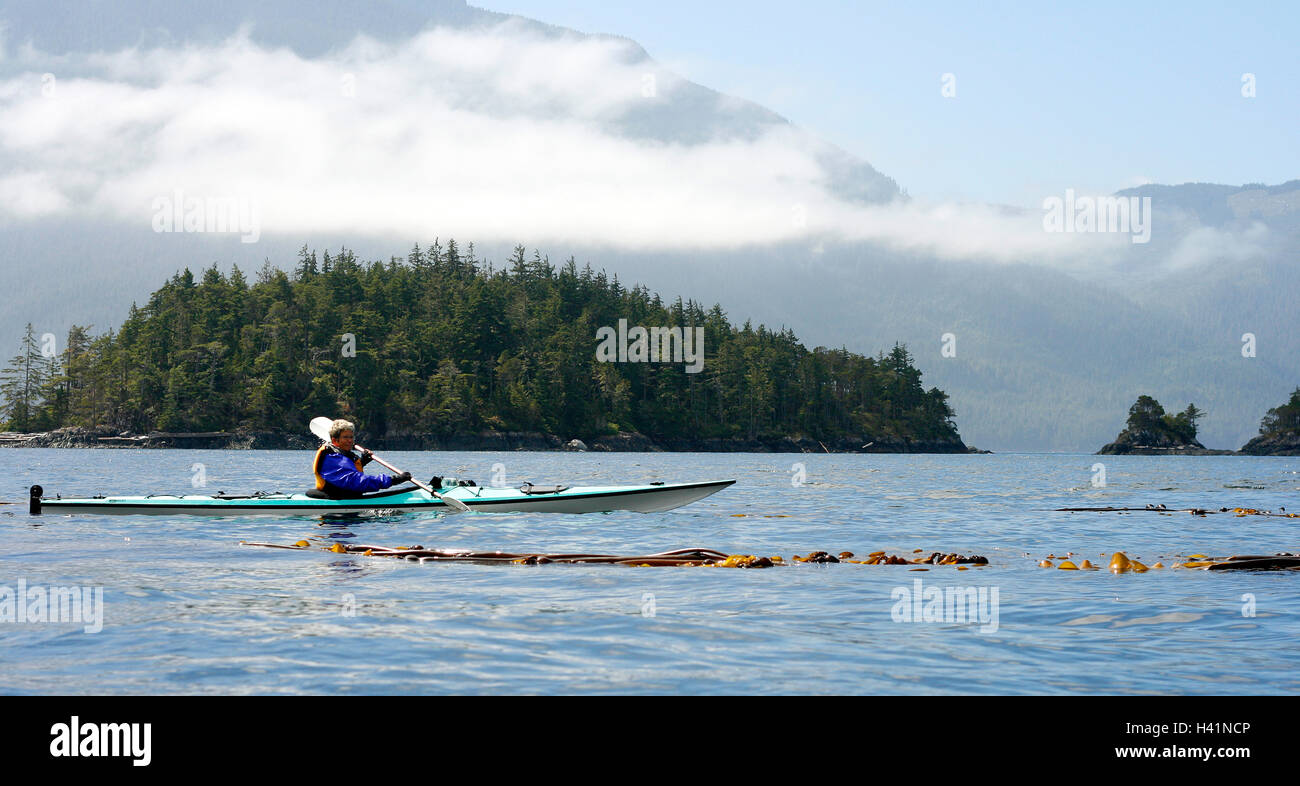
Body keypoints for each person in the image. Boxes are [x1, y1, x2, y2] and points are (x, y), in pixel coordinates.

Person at [312, 419, 411, 498]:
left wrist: (362, 462)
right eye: (345, 437)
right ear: (334, 440)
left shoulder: (340, 454)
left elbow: (346, 470)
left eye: (351, 437)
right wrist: (393, 480)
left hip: (345, 495)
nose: (350, 441)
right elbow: (356, 481)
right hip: (338, 510)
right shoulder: (332, 458)